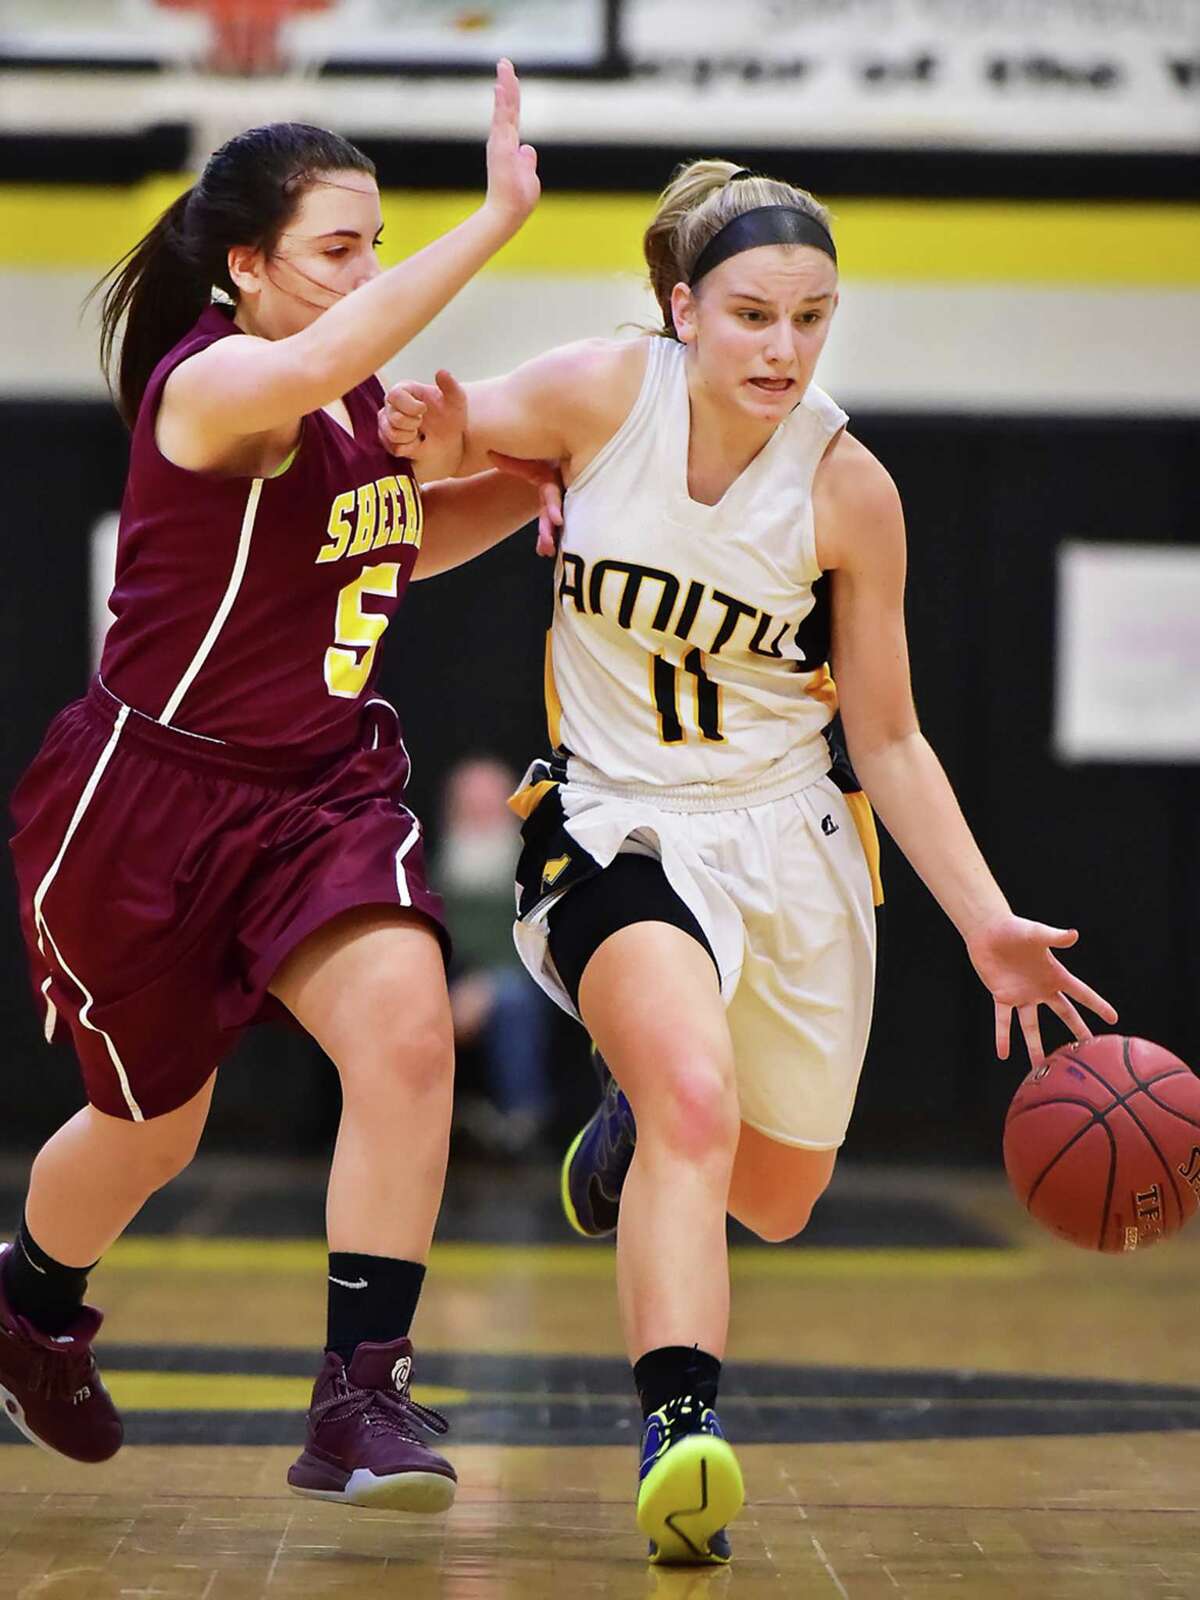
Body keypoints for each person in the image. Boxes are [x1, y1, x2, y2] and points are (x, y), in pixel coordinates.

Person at [378, 159, 1119, 1564]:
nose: (783, 347)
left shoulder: (851, 490)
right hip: (611, 820)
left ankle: (625, 1131)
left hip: (785, 830)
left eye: (813, 317)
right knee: (696, 1100)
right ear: (683, 310)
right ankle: (682, 1430)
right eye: (754, 315)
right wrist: (447, 425)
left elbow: (890, 740)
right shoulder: (606, 391)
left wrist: (985, 919)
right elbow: (461, 436)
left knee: (773, 1200)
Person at [0, 62, 549, 1514]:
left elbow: (400, 546)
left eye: (378, 241)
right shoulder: (219, 381)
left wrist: (550, 483)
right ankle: (30, 1301)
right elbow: (315, 372)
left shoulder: (355, 407)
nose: (367, 272)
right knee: (153, 1128)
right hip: (147, 813)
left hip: (319, 793)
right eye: (339, 247)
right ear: (245, 268)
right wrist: (495, 220)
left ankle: (361, 1400)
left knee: (410, 1042)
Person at [435, 757, 555, 1159]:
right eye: (471, 808)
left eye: (490, 808)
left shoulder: (534, 872)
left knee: (511, 998)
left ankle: (521, 1121)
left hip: (520, 981)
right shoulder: (435, 870)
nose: (481, 818)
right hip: (446, 982)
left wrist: (485, 986)